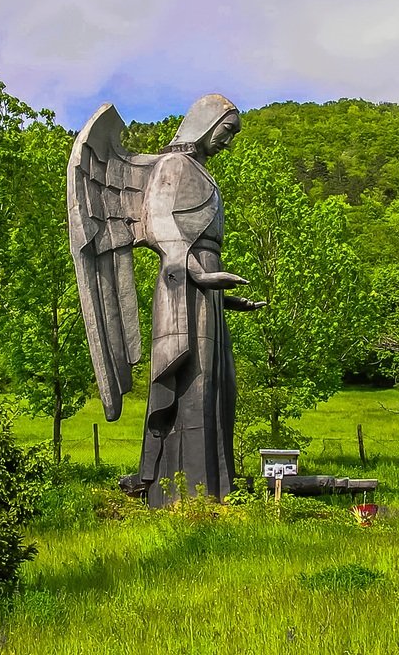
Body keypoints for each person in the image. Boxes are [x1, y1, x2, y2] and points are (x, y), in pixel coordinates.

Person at [139, 94, 265, 506]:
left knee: (217, 386)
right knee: (191, 383)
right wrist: (201, 274)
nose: (228, 143)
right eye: (227, 132)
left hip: (204, 293)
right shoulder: (172, 166)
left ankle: (213, 487)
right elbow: (159, 225)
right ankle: (179, 493)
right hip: (180, 285)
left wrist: (224, 299)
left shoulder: (201, 172)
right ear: (207, 123)